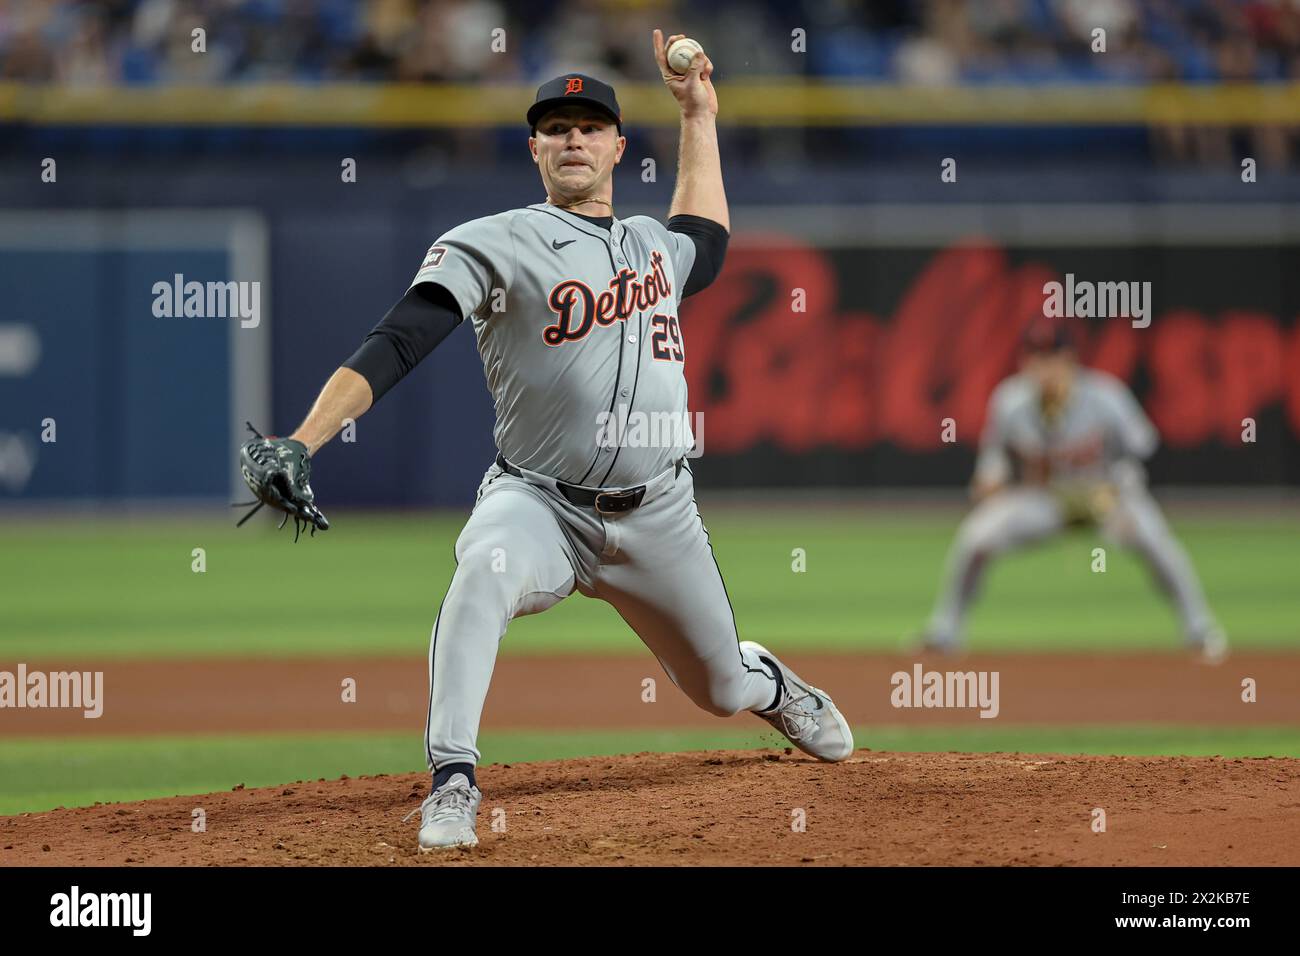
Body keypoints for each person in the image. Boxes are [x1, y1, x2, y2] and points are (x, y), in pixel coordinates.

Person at [245, 31, 853, 853]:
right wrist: (304, 439)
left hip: (660, 514)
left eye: (590, 125)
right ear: (533, 147)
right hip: (538, 500)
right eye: (557, 126)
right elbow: (400, 338)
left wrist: (700, 113)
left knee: (719, 688)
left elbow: (706, 239)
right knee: (480, 575)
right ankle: (453, 781)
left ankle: (770, 682)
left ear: (615, 146)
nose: (574, 138)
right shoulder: (494, 240)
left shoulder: (651, 244)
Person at [916, 318, 1228, 664]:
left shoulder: (1107, 398)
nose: (1043, 366)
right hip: (1045, 501)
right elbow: (994, 462)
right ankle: (944, 632)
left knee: (1155, 541)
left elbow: (1142, 453)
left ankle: (1200, 630)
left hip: (1105, 497)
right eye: (1035, 356)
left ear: (1071, 360)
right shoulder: (1009, 401)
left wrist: (1123, 493)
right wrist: (990, 481)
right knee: (976, 538)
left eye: (1052, 356)